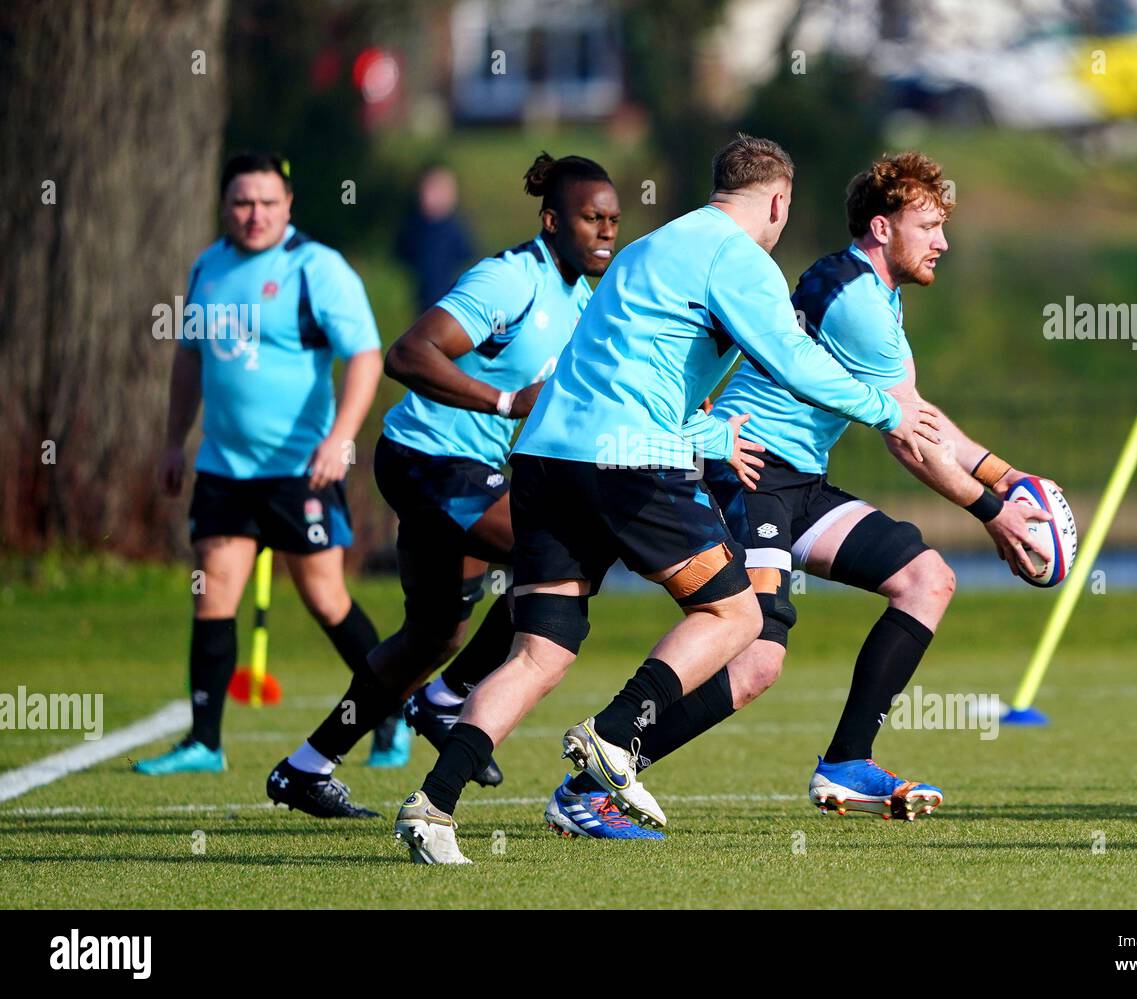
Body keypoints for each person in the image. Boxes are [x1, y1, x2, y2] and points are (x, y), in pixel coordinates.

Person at [393, 135, 942, 863]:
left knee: (540, 651)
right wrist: (886, 409)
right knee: (737, 613)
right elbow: (794, 359)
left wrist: (710, 433)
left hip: (542, 455)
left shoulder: (646, 250)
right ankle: (615, 734)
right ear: (778, 200)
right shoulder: (742, 259)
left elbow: (627, 365)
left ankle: (433, 804)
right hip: (627, 460)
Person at [550, 151, 1054, 831]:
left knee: (926, 579)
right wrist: (996, 510)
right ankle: (592, 781)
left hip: (798, 481)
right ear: (882, 227)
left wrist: (1007, 477)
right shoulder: (857, 303)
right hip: (751, 472)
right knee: (754, 653)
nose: (943, 241)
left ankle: (847, 760)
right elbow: (909, 439)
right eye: (929, 225)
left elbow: (919, 415)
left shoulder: (874, 294)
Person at [265, 153, 625, 819]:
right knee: (557, 557)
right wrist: (502, 399)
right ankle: (446, 697)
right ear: (551, 220)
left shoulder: (581, 297)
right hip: (428, 459)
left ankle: (305, 767)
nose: (604, 231)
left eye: (612, 220)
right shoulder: (511, 278)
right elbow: (409, 351)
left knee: (429, 637)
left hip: (458, 471)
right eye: (589, 217)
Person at [139, 152, 387, 776]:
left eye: (267, 203)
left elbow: (364, 355)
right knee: (213, 595)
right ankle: (204, 742)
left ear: (288, 205)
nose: (254, 215)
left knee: (326, 598)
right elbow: (190, 357)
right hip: (224, 467)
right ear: (224, 206)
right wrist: (175, 441)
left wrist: (340, 438)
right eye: (243, 203)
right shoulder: (208, 268)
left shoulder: (316, 269)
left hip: (301, 470)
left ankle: (389, 716)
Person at [396, 165, 475, 313]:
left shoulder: (457, 229)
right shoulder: (414, 227)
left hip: (452, 301)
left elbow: (467, 257)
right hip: (423, 301)